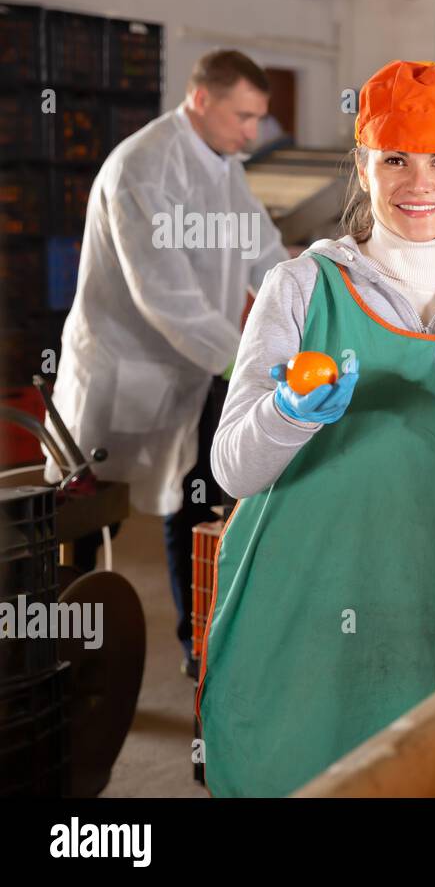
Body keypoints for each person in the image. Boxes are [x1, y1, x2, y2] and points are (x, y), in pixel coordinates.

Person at [199, 60, 435, 797]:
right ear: (363, 166)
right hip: (300, 602)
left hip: (426, 610)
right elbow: (230, 470)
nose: (420, 183)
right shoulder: (301, 287)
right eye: (396, 160)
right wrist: (287, 417)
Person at [43, 50, 289, 675]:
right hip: (126, 374)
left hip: (196, 369)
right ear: (201, 99)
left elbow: (264, 254)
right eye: (244, 116)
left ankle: (194, 643)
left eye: (259, 118)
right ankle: (56, 652)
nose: (253, 133)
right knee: (86, 519)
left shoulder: (222, 165)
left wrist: (310, 306)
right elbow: (167, 301)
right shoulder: (144, 167)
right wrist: (251, 362)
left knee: (193, 496)